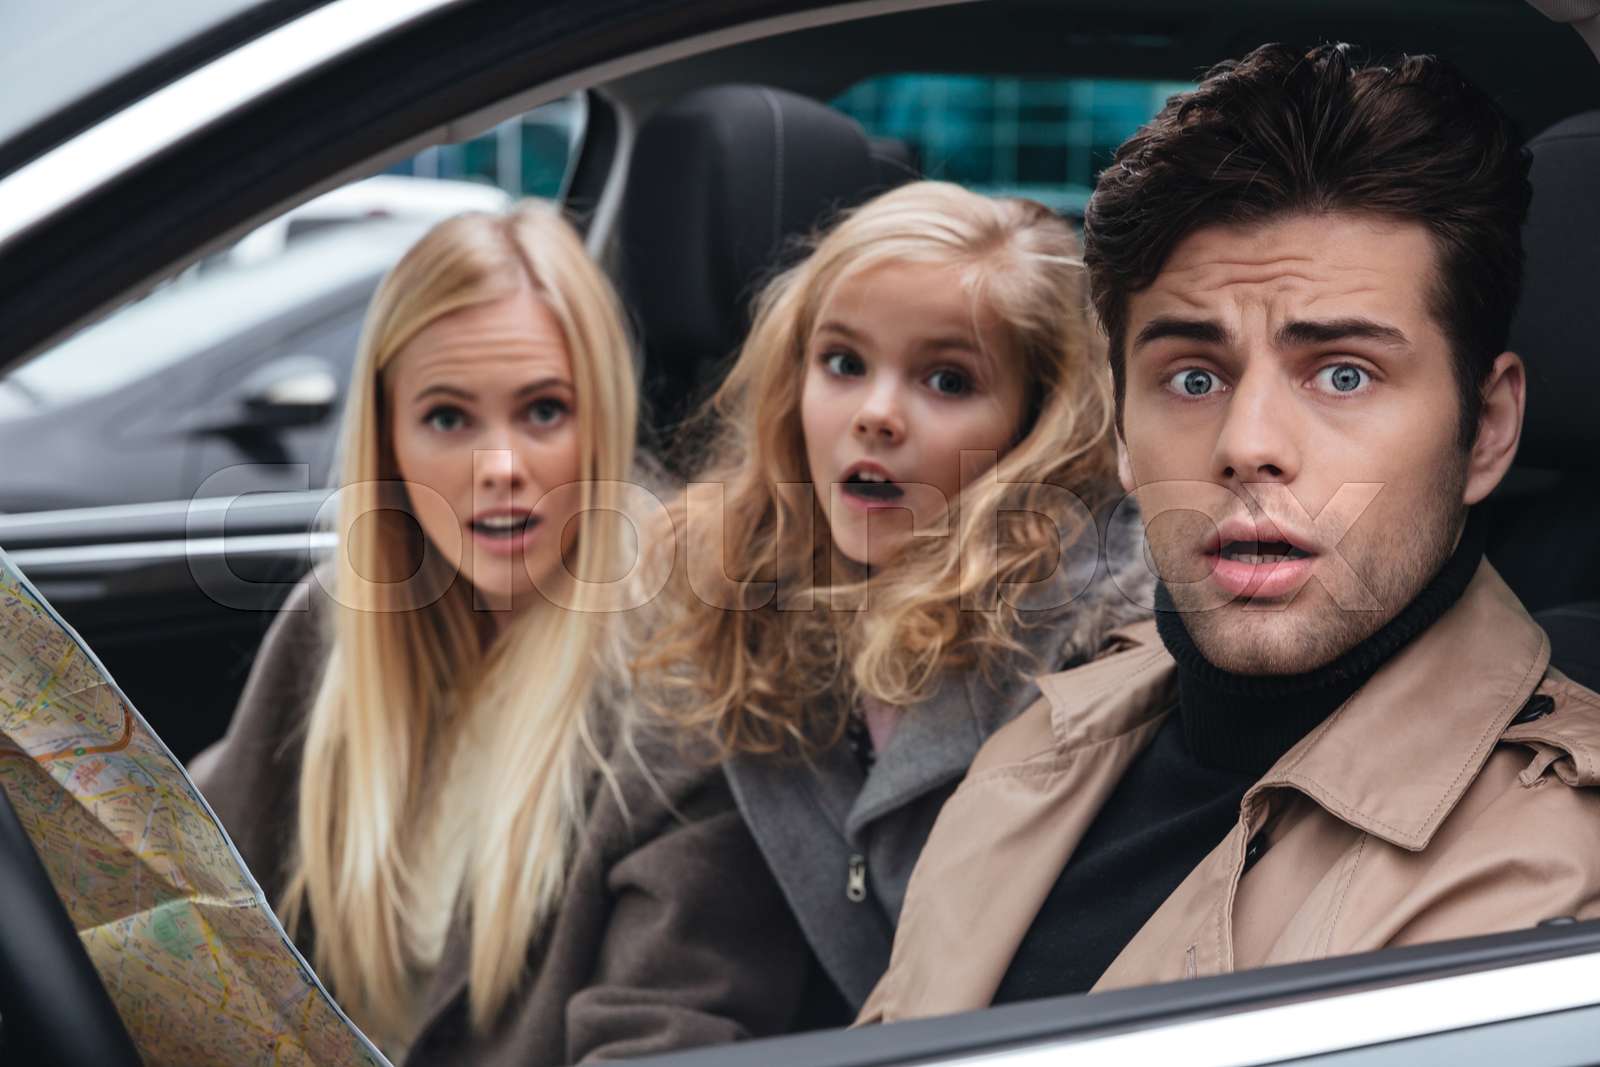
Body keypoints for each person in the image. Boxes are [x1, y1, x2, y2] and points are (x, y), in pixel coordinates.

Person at [858, 43, 1600, 1024]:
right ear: (1123, 428)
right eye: (1193, 377)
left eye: (1342, 373)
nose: (1247, 445)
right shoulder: (1042, 733)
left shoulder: (1557, 877)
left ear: (1486, 427)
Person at [190, 203, 805, 1065]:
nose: (499, 467)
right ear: (389, 440)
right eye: (447, 417)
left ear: (602, 419)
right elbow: (185, 886)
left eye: (544, 410)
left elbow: (660, 1035)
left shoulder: (686, 677)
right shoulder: (340, 618)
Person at [634, 180, 1152, 1025]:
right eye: (842, 363)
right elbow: (696, 949)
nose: (876, 415)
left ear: (1034, 423)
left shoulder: (1095, 653)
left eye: (947, 380)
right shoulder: (743, 608)